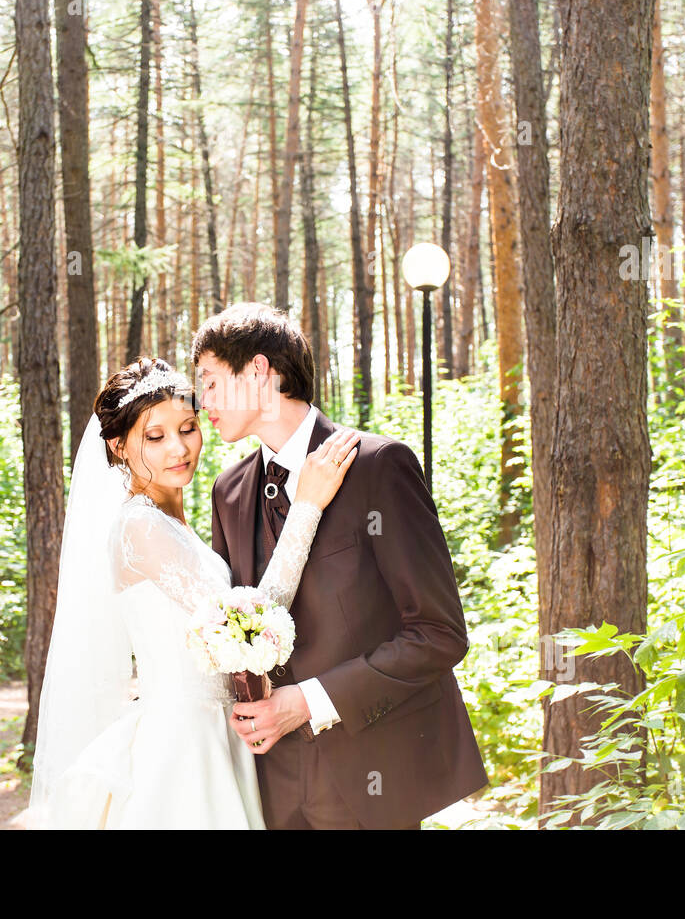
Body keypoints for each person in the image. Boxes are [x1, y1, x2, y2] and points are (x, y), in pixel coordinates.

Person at [23, 356, 359, 829]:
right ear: (118, 447)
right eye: (155, 437)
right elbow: (247, 629)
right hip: (182, 744)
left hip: (219, 734)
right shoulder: (138, 525)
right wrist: (307, 505)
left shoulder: (173, 524)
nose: (179, 448)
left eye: (187, 427)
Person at [193, 302, 489, 829]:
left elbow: (439, 633)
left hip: (370, 779)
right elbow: (235, 630)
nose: (202, 401)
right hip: (269, 786)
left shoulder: (379, 467)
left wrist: (307, 702)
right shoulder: (228, 491)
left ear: (260, 372)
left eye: (211, 381)